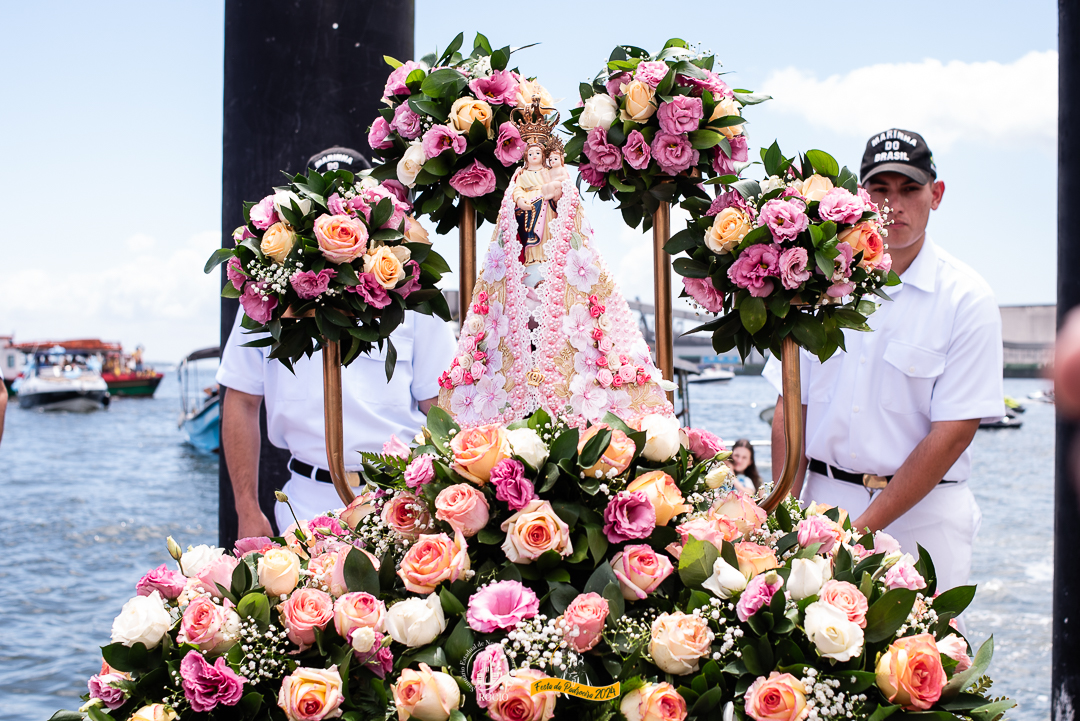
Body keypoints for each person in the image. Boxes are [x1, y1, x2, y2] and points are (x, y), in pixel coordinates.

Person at [765, 128, 1004, 593]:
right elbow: (790, 407)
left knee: (925, 662)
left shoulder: (967, 299)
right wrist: (784, 517)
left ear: (936, 195)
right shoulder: (815, 285)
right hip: (822, 505)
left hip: (924, 521)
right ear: (860, 196)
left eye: (909, 189)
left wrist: (857, 535)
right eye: (880, 189)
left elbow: (953, 433)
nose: (894, 203)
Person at [217, 147, 455, 538]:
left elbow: (441, 410)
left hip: (400, 499)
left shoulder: (414, 297)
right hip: (302, 506)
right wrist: (246, 508)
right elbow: (241, 400)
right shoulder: (264, 299)